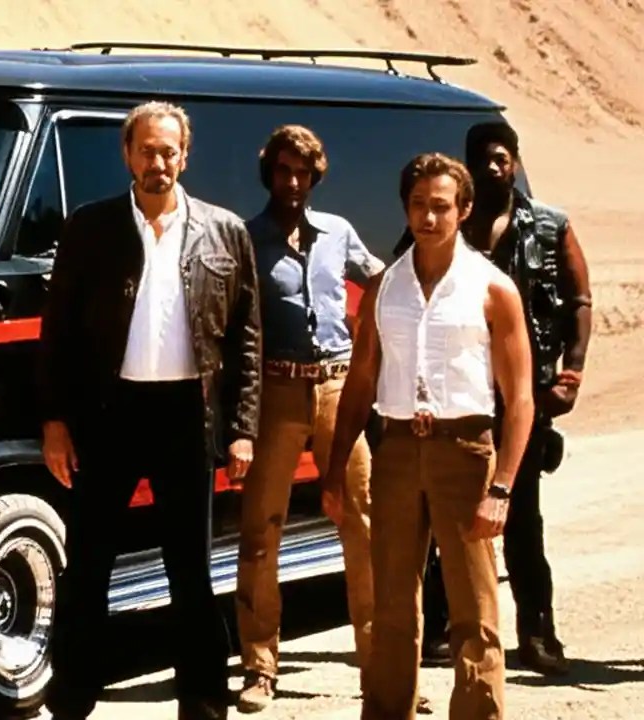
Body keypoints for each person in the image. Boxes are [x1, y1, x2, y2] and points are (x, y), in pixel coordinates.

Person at [36, 100, 262, 720]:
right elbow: (57, 332)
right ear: (127, 155)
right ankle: (73, 699)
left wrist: (243, 430)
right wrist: (55, 421)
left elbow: (245, 336)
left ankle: (204, 702)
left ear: (185, 156)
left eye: (169, 151)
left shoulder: (225, 231)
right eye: (146, 150)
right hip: (108, 414)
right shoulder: (92, 227)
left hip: (187, 417)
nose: (157, 162)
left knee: (190, 568)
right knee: (88, 567)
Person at [321, 152, 535, 719]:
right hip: (395, 451)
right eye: (419, 205)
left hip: (463, 453)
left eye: (441, 206)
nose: (428, 218)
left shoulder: (493, 289)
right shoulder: (385, 286)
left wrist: (503, 487)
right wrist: (337, 466)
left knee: (473, 608)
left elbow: (520, 400)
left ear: (463, 210)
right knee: (391, 604)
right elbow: (361, 380)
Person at [233, 124, 386, 713]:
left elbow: (378, 280)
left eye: (302, 172)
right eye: (282, 171)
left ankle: (380, 664)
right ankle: (260, 667)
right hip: (275, 388)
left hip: (337, 388)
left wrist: (369, 343)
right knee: (259, 529)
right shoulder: (248, 239)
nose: (292, 182)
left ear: (316, 175)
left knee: (361, 519)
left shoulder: (337, 232)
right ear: (269, 173)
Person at [431, 120, 591, 675]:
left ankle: (538, 632)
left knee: (522, 517)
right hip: (459, 394)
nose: (494, 166)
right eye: (484, 158)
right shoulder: (447, 221)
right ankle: (447, 628)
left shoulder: (549, 226)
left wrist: (570, 373)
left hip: (525, 397)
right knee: (447, 513)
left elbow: (578, 301)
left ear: (517, 162)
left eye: (503, 157)